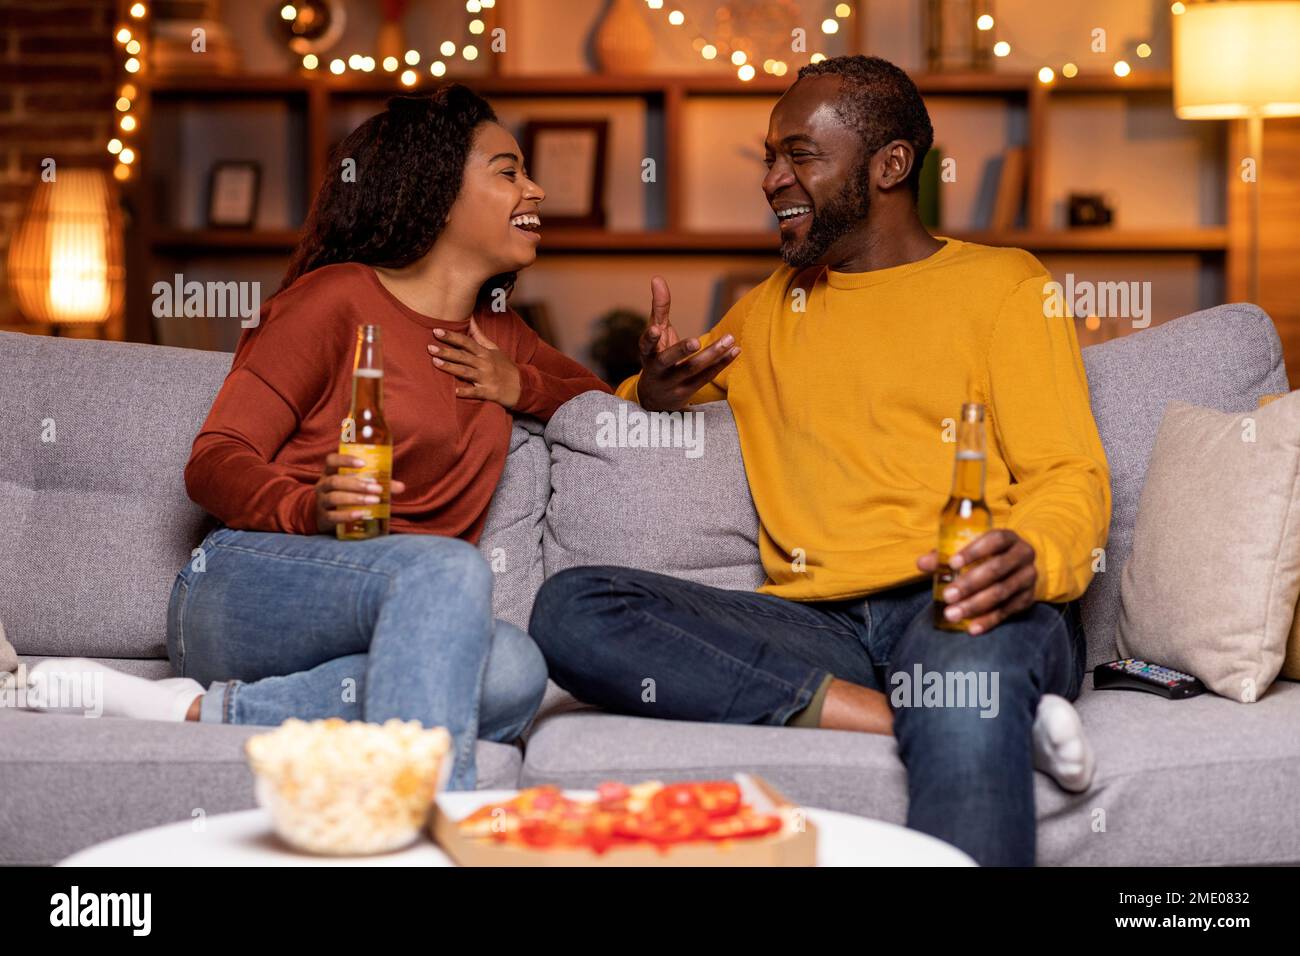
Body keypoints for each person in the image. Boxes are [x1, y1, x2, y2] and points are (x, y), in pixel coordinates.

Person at [528, 55, 1111, 864]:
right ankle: (890, 711)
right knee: (572, 607)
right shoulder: (770, 307)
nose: (772, 179)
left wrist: (1027, 556)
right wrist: (655, 392)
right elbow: (647, 399)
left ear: (890, 165)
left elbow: (1068, 475)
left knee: (959, 672)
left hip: (960, 597)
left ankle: (956, 700)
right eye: (770, 156)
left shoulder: (1006, 286)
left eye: (800, 154)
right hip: (818, 625)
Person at [27, 84, 611, 791]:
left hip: (396, 615)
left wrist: (529, 388)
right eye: (508, 170)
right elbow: (214, 462)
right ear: (437, 191)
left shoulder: (506, 342)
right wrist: (311, 506)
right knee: (449, 570)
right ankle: (435, 828)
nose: (537, 189)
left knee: (514, 667)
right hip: (244, 590)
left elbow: (600, 409)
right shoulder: (335, 299)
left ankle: (201, 712)